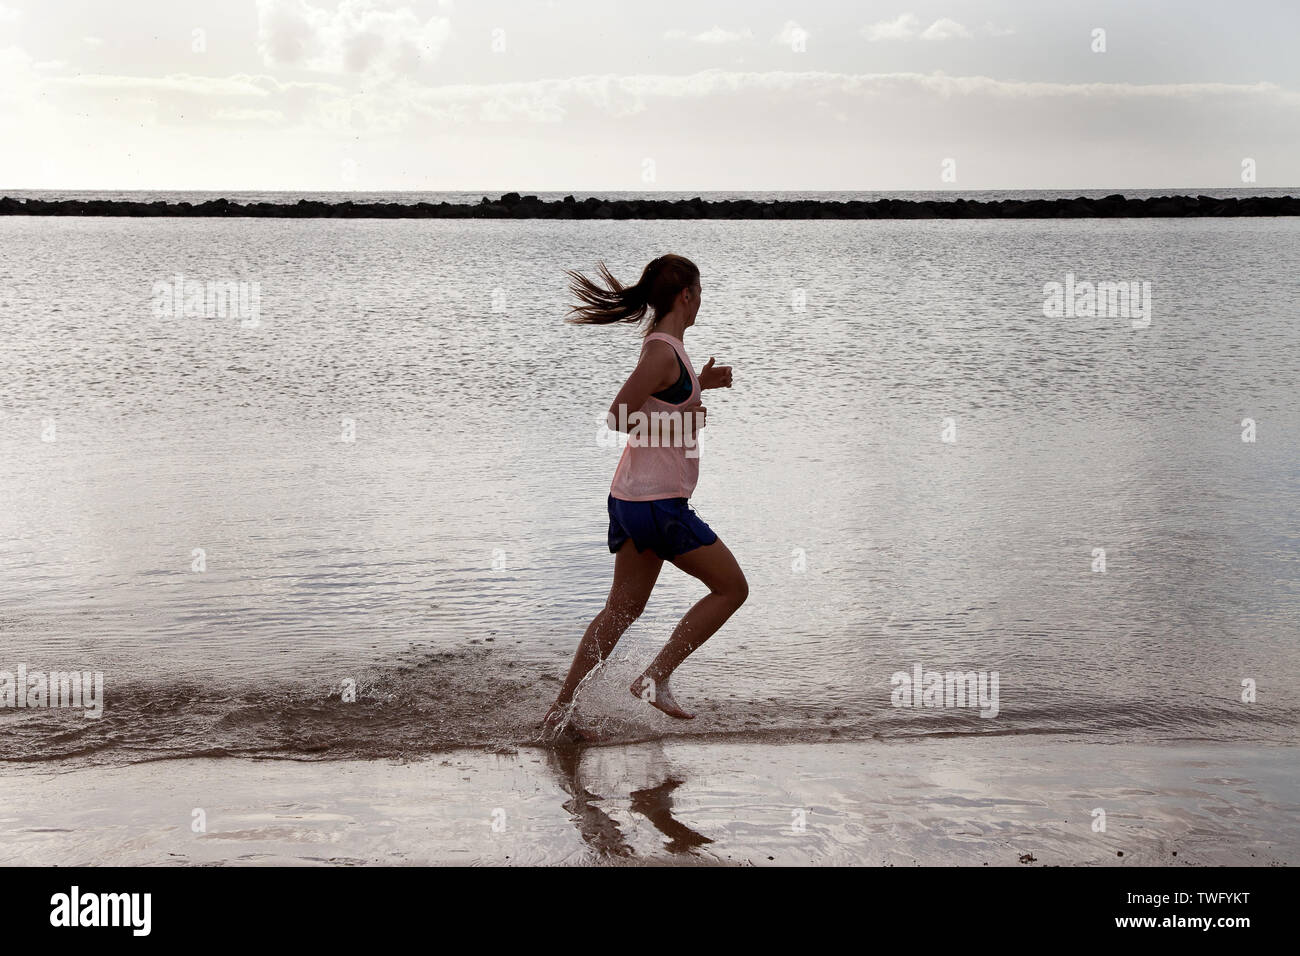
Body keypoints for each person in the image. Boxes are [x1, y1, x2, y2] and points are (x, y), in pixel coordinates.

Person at [542, 255, 748, 742]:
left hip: (633, 498)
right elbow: (618, 418)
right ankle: (654, 678)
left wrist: (703, 385)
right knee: (732, 589)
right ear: (687, 296)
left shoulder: (671, 350)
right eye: (700, 293)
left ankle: (559, 713)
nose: (701, 302)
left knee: (621, 611)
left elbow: (664, 398)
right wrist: (686, 420)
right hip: (658, 503)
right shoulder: (661, 353)